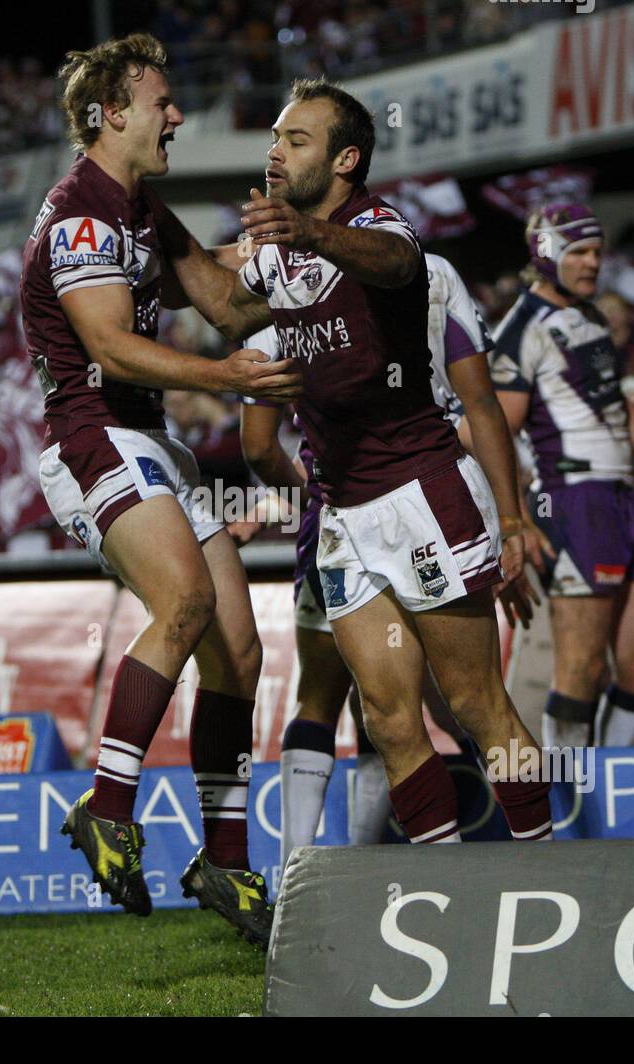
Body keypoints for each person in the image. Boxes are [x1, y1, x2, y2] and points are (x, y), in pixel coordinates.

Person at [153, 77, 554, 847]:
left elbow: (395, 265)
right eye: (274, 138)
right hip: (340, 515)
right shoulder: (280, 254)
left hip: (420, 495)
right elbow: (229, 307)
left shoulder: (380, 232)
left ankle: (546, 874)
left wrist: (510, 518)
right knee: (388, 718)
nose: (275, 153)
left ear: (346, 159)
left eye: (294, 141)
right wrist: (141, 202)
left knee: (476, 705)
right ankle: (444, 892)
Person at [21, 34, 300, 945]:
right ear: (112, 114)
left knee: (240, 651)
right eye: (162, 102)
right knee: (181, 599)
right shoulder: (82, 215)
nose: (177, 115)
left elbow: (223, 301)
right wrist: (231, 380)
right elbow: (110, 346)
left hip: (149, 439)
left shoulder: (142, 207)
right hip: (92, 434)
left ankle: (223, 861)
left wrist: (298, 256)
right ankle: (106, 805)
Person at [240, 251, 499, 863]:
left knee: (338, 699)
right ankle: (524, 857)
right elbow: (484, 409)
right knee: (443, 704)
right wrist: (510, 519)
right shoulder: (432, 277)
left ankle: (295, 870)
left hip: (336, 515)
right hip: (433, 494)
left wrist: (304, 493)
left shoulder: (280, 311)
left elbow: (258, 447)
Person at [481, 203, 634, 749]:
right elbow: (494, 432)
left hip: (624, 498)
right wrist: (516, 520)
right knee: (579, 670)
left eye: (598, 252)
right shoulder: (520, 330)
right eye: (579, 251)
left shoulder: (593, 317)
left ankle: (611, 787)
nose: (592, 263)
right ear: (547, 253)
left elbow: (619, 409)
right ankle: (567, 817)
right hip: (574, 500)